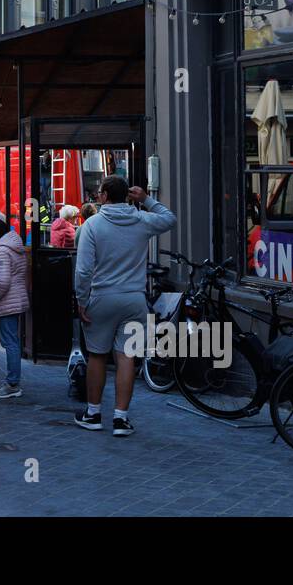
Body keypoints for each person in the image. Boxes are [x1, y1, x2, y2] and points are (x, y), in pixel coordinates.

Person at [73, 176, 176, 436]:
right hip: (133, 298)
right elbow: (169, 218)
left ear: (106, 196)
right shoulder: (141, 220)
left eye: (99, 192)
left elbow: (84, 270)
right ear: (128, 195)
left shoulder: (92, 225)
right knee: (126, 356)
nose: (97, 196)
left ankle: (93, 413)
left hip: (102, 296)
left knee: (97, 354)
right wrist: (146, 199)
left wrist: (81, 301)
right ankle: (120, 418)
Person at [0, 217, 29, 399]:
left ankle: (12, 383)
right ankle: (13, 381)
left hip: (7, 302)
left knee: (10, 342)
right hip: (15, 299)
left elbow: (3, 281)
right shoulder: (13, 246)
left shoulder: (2, 251)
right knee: (12, 341)